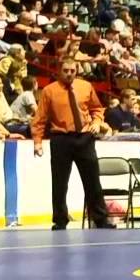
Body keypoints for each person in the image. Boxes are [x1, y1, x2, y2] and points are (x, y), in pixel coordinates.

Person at [31, 58, 114, 230]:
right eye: (66, 70)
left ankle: (100, 219)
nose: (69, 74)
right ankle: (60, 220)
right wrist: (37, 142)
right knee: (60, 182)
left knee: (92, 180)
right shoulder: (48, 91)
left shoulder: (85, 87)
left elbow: (97, 109)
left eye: (72, 71)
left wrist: (97, 122)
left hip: (85, 137)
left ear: (76, 71)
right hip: (61, 139)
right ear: (59, 71)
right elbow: (39, 119)